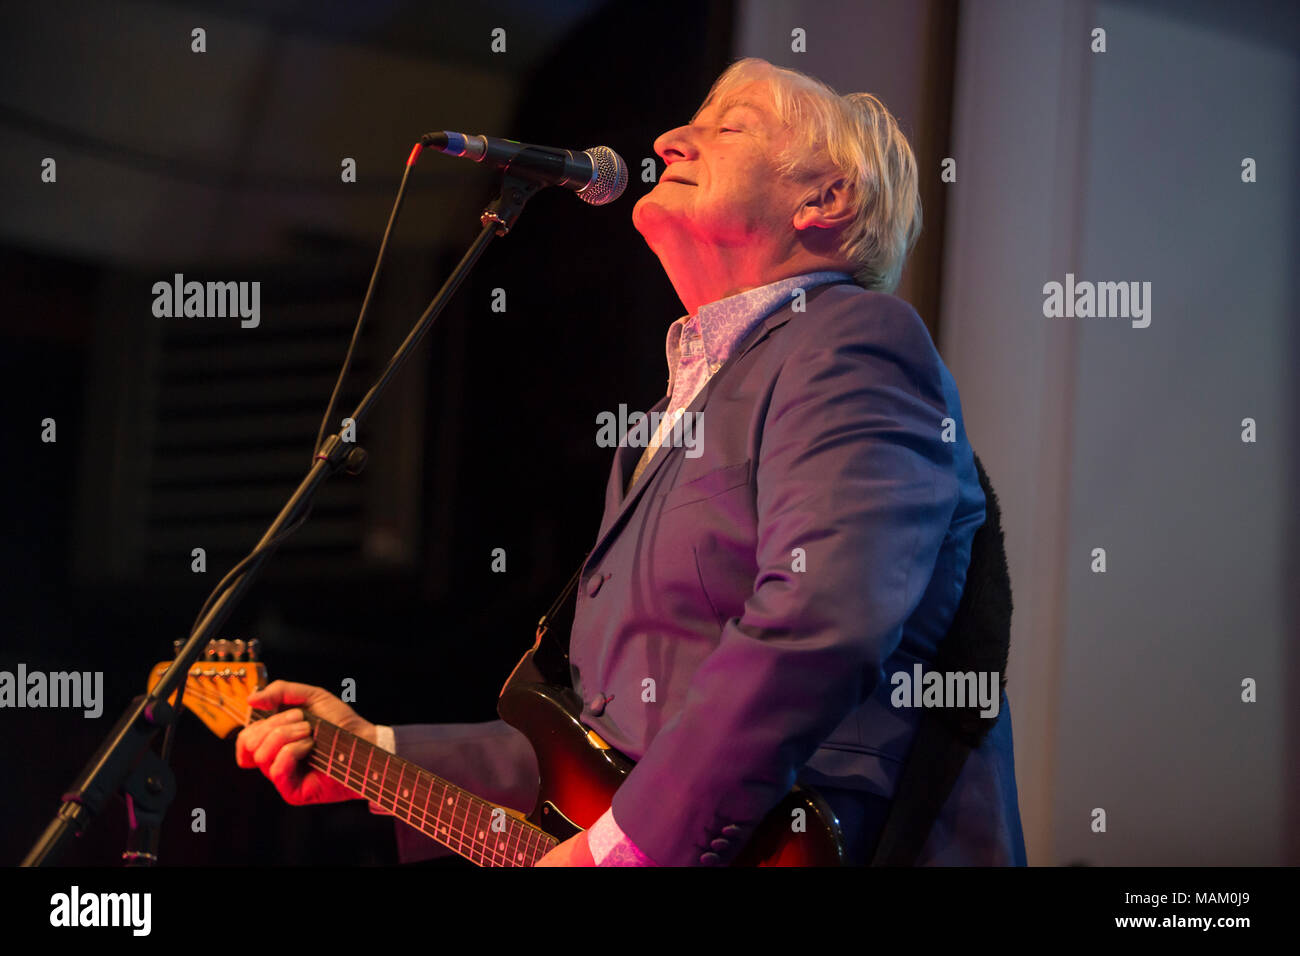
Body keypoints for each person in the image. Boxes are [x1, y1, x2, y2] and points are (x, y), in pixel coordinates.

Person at [236, 57, 1027, 866]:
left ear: (826, 200)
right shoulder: (660, 424)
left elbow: (822, 614)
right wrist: (378, 751)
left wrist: (626, 845)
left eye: (727, 124)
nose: (670, 138)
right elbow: (603, 746)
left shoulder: (855, 340)